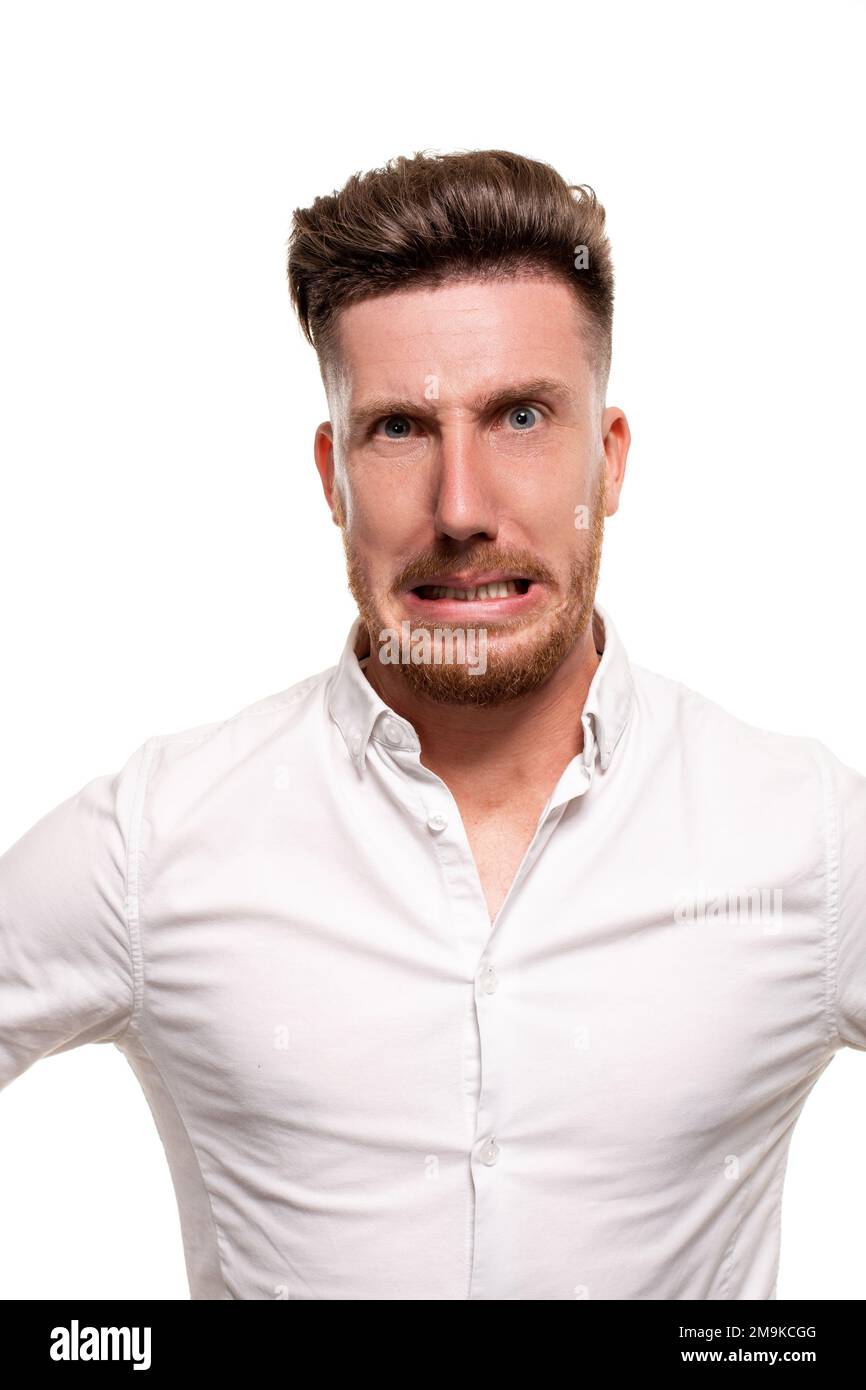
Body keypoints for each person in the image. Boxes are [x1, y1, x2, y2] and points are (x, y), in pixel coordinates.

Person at [1, 149, 864, 1301]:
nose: (461, 507)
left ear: (606, 461)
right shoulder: (154, 839)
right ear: (332, 477)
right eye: (399, 430)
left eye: (518, 415)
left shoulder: (801, 835)